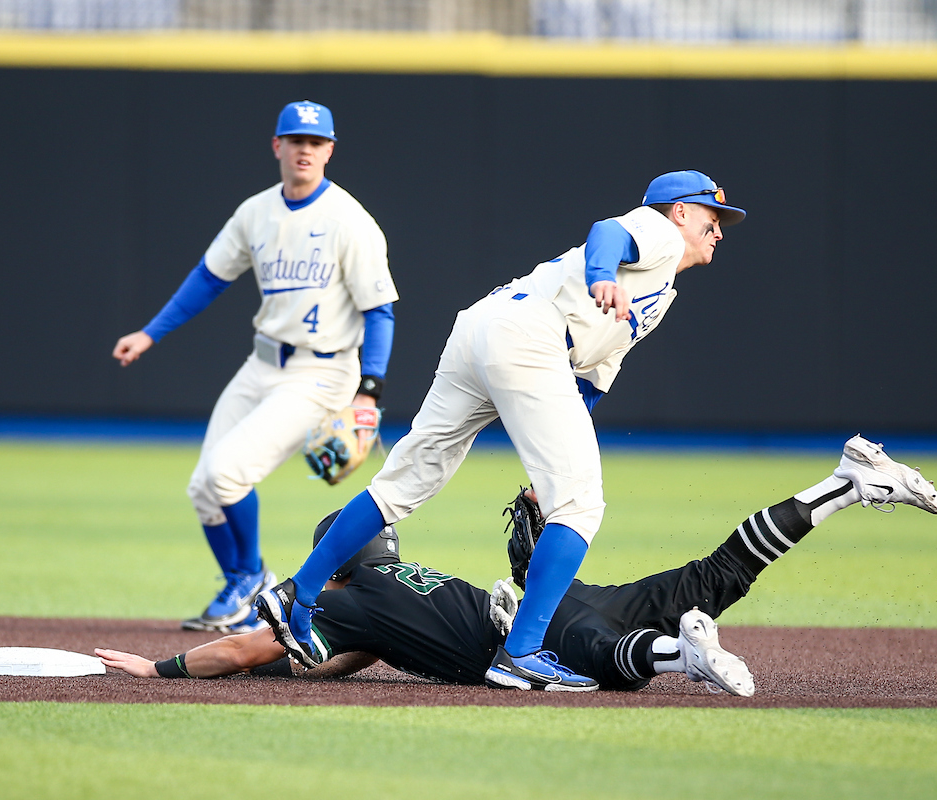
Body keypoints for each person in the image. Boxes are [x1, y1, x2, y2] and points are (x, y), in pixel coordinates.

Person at [255, 169, 745, 689]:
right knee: (580, 505)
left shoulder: (658, 292)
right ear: (680, 211)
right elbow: (609, 232)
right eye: (711, 216)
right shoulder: (660, 233)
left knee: (406, 482)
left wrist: (547, 472)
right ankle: (521, 652)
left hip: (485, 329)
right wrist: (602, 274)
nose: (718, 230)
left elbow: (589, 383)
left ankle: (297, 593)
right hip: (531, 334)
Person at [97, 435, 937, 694]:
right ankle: (840, 485)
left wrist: (160, 667)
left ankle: (681, 653)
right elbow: (356, 654)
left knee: (610, 665)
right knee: (712, 576)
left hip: (529, 630)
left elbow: (245, 647)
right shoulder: (378, 601)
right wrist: (315, 667)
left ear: (338, 567)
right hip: (555, 594)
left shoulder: (343, 603)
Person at [111, 101, 399, 633]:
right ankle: (241, 587)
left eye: (315, 142)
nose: (305, 150)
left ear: (330, 151)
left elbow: (379, 312)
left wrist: (369, 392)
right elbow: (209, 276)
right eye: (296, 140)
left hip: (322, 372)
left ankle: (254, 584)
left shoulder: (349, 221)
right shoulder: (255, 212)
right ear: (277, 146)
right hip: (262, 363)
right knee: (204, 488)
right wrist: (151, 332)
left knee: (226, 473)